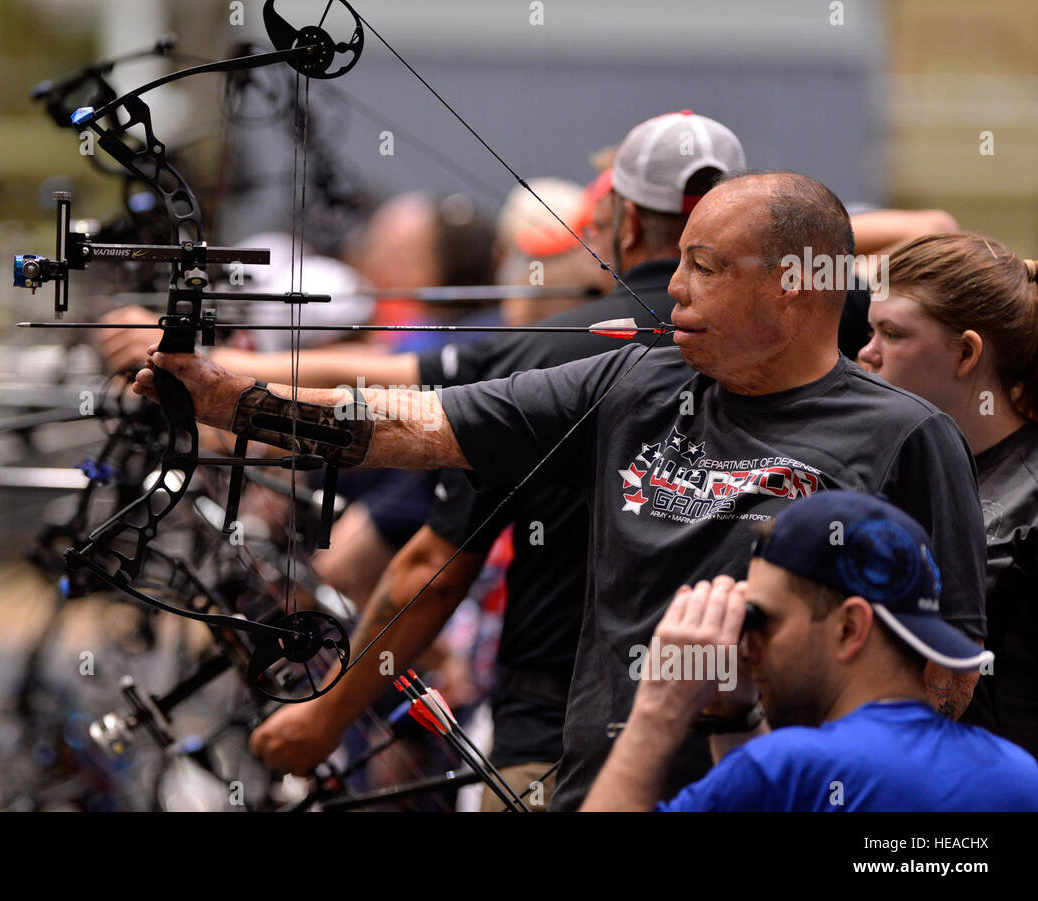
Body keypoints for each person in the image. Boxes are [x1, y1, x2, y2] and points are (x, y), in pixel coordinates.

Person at [134, 168, 989, 811]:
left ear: (797, 287)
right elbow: (410, 421)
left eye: (707, 266)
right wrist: (227, 400)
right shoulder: (630, 383)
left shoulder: (905, 437)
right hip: (599, 786)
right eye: (679, 259)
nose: (676, 288)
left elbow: (952, 671)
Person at [249, 111, 742, 809]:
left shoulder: (537, 353)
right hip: (745, 747)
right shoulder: (812, 329)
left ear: (624, 225)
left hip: (556, 750)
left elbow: (430, 568)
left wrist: (324, 717)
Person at [581, 491, 1038, 811]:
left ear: (848, 628)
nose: (748, 646)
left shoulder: (786, 770)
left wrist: (657, 713)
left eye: (761, 619)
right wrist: (734, 716)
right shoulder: (1017, 776)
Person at [858, 234, 1038, 755]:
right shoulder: (884, 461)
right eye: (870, 330)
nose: (865, 353)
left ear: (966, 353)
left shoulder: (1029, 501)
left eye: (891, 334)